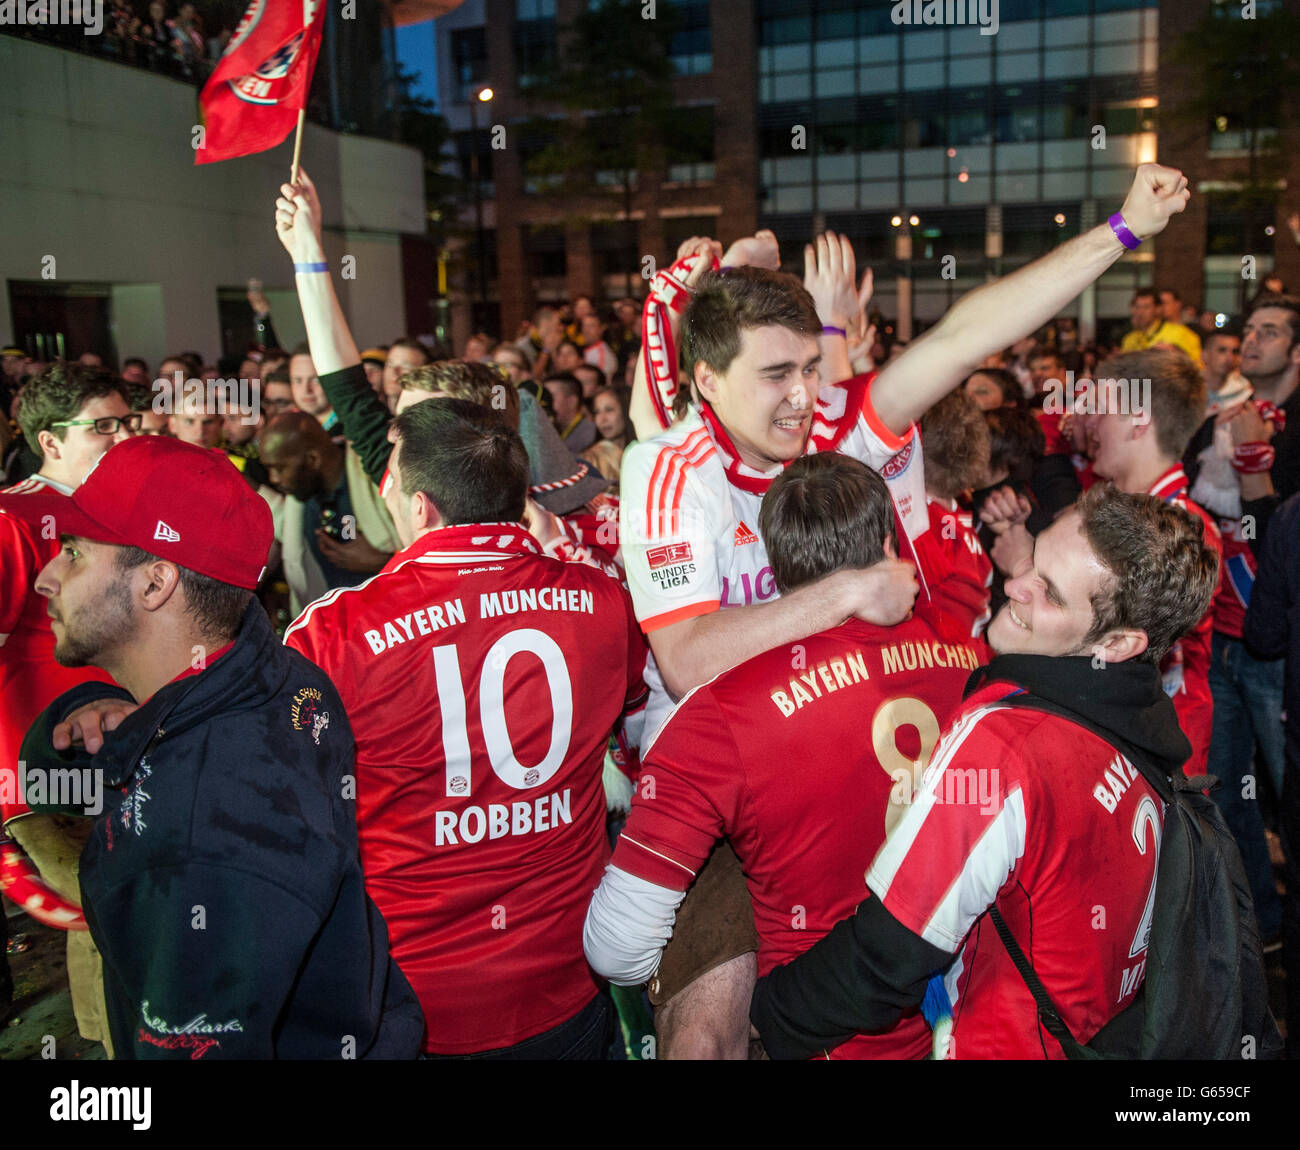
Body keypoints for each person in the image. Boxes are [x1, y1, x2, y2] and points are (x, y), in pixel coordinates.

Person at [623, 164, 1192, 1058]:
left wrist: (1120, 230)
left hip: (899, 743)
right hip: (736, 790)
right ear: (706, 381)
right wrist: (850, 592)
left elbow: (968, 334)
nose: (807, 397)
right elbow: (688, 658)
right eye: (776, 375)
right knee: (706, 1037)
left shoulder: (847, 420)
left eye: (814, 364)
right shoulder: (664, 468)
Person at [750, 483, 1220, 1059]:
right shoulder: (1147, 719)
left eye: (1049, 593)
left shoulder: (1005, 746)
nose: (1016, 585)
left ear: (1120, 643)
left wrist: (761, 1016)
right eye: (1032, 559)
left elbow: (887, 955)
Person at [6, 436, 423, 1059]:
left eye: (72, 553)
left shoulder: (201, 827)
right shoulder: (282, 677)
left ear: (155, 584)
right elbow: (51, 779)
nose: (45, 577)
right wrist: (79, 709)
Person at [585, 453, 983, 1059]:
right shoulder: (970, 657)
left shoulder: (718, 716)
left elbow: (615, 947)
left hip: (818, 1032)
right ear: (885, 541)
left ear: (774, 566)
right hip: (972, 1017)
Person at [284, 399, 647, 1058]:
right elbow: (628, 704)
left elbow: (280, 791)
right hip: (566, 982)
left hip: (415, 1003)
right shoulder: (602, 603)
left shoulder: (333, 637)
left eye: (389, 476)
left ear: (420, 507)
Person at [1, 362, 134, 1052]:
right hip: (40, 766)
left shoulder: (111, 509)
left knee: (103, 919)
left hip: (109, 749)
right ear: (50, 441)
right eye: (102, 426)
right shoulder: (13, 519)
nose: (122, 437)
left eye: (126, 422)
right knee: (113, 906)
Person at [257, 412, 399, 615]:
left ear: (313, 459)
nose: (274, 478)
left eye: (279, 468)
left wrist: (385, 561)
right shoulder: (301, 497)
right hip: (334, 634)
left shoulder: (374, 479)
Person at [1122, 287, 1202, 364]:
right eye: (1136, 307)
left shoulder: (1180, 334)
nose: (1140, 312)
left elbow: (1198, 369)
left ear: (1158, 309)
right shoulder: (1129, 339)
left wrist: (1179, 355)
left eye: (1146, 307)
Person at [545, 374, 597, 452]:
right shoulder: (549, 430)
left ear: (572, 401)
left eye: (550, 397)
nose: (545, 403)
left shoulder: (589, 434)